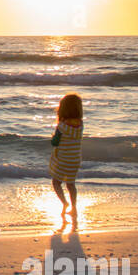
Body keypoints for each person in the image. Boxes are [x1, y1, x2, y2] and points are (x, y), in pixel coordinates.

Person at [49, 93, 84, 226]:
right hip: (75, 159)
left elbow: (55, 143)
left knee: (56, 182)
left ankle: (64, 203)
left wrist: (54, 136)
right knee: (71, 184)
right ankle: (74, 208)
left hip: (63, 158)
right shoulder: (80, 125)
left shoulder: (62, 126)